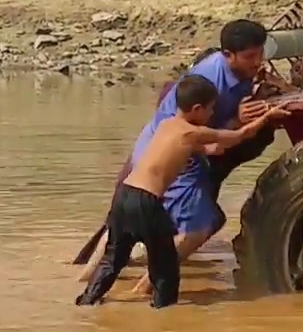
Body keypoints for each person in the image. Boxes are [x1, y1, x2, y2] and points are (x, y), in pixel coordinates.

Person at [75, 76, 289, 309]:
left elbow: (214, 148)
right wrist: (266, 117)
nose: (212, 114)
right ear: (197, 109)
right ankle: (163, 317)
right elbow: (238, 136)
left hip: (124, 195)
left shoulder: (167, 125)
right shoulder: (191, 132)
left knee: (112, 261)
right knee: (165, 268)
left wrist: (218, 146)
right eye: (210, 109)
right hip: (147, 202)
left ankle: (86, 303)